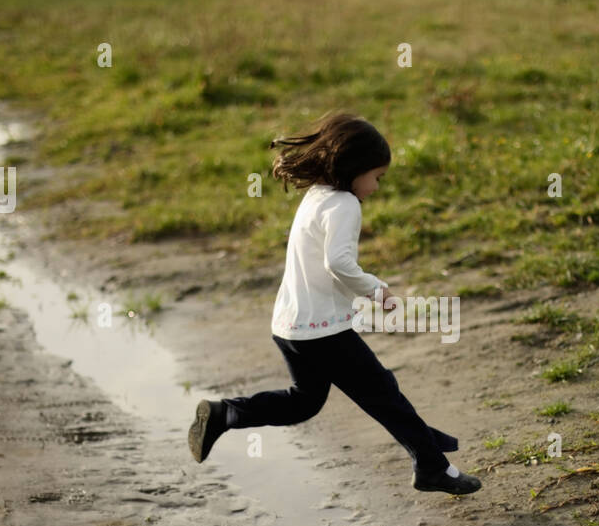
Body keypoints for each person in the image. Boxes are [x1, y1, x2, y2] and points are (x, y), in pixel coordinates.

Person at [188, 111, 481, 495]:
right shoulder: (344, 204)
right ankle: (432, 465)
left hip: (291, 325)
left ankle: (227, 412)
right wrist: (376, 290)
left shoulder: (317, 195)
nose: (377, 187)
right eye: (377, 177)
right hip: (324, 330)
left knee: (304, 402)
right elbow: (338, 262)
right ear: (354, 168)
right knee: (384, 395)